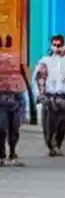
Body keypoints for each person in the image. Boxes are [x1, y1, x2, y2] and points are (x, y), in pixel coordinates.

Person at [34, 34, 65, 157]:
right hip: (50, 98)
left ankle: (57, 145)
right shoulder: (45, 61)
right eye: (54, 45)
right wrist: (41, 95)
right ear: (51, 46)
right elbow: (40, 78)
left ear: (63, 45)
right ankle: (51, 145)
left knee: (62, 125)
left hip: (64, 98)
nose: (56, 48)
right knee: (49, 126)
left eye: (59, 45)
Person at [0, 35, 27, 166]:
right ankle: (2, 156)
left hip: (15, 98)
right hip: (3, 100)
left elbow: (22, 79)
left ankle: (12, 153)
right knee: (2, 129)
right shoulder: (15, 59)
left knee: (13, 129)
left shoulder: (16, 59)